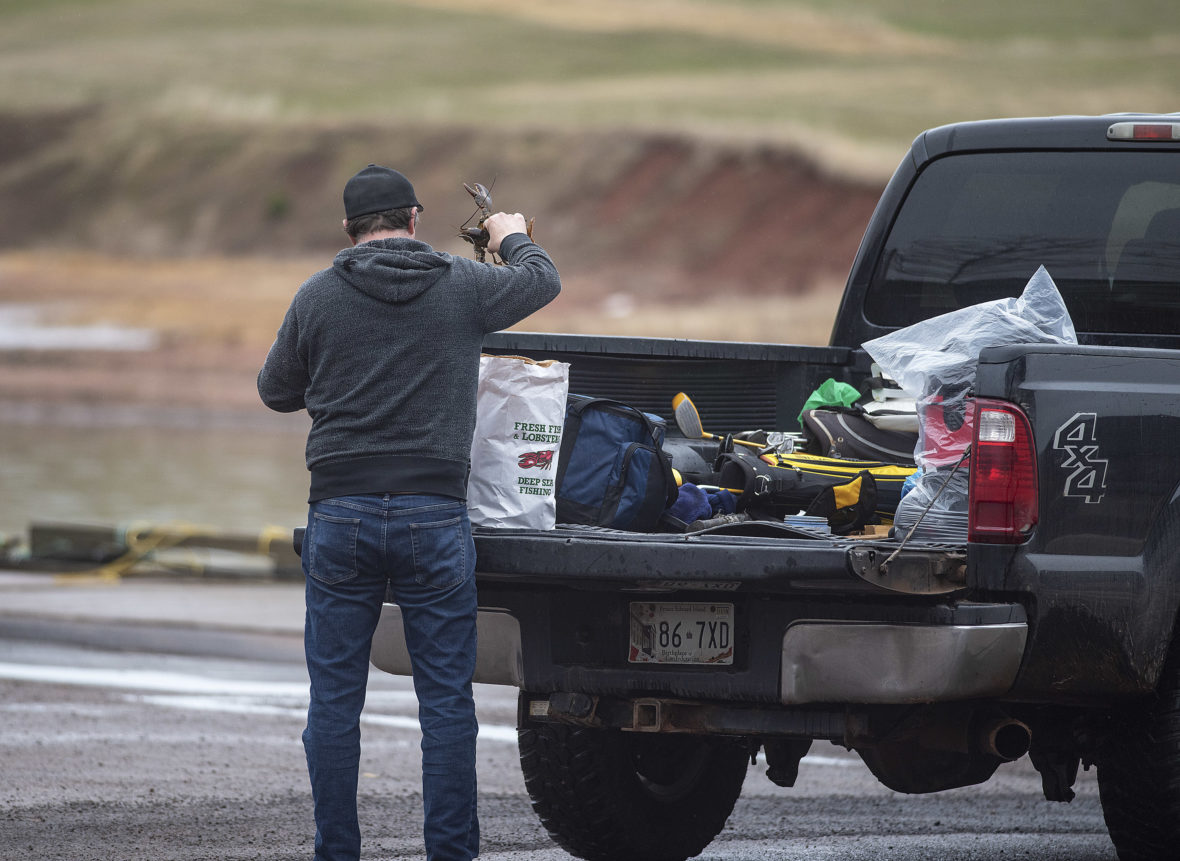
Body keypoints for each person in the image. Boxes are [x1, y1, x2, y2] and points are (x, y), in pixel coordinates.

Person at [257, 163, 561, 861]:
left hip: (340, 513)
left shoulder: (317, 295)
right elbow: (543, 280)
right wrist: (508, 235)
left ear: (348, 228)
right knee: (446, 702)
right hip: (435, 515)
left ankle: (337, 851)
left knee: (334, 703)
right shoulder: (463, 285)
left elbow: (276, 390)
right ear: (415, 219)